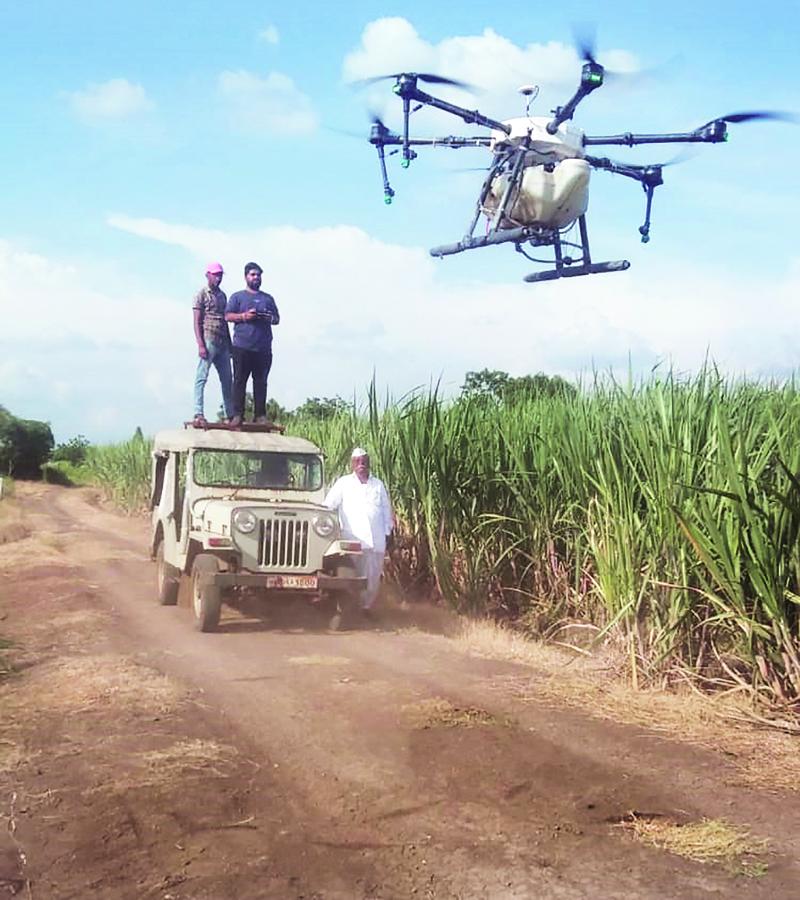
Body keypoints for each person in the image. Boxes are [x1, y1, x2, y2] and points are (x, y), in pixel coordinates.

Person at [324, 447, 394, 614]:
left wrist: (388, 532)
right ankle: (349, 608)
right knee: (352, 576)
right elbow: (328, 506)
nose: (361, 464)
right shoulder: (344, 483)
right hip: (353, 541)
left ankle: (366, 608)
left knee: (373, 578)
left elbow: (386, 510)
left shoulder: (378, 485)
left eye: (364, 461)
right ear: (352, 464)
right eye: (357, 461)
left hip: (376, 540)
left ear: (369, 463)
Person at [224, 262, 280, 426]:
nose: (256, 277)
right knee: (239, 380)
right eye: (253, 274)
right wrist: (244, 317)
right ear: (246, 277)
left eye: (258, 275)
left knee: (261, 381)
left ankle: (260, 415)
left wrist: (267, 317)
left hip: (263, 347)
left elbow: (277, 319)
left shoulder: (267, 298)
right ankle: (237, 415)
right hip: (242, 346)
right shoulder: (237, 297)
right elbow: (227, 316)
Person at [192, 262, 233, 426]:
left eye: (220, 275)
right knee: (202, 376)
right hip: (208, 338)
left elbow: (225, 321)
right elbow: (196, 321)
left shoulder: (222, 296)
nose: (218, 278)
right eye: (215, 275)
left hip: (222, 340)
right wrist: (200, 344)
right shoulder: (201, 294)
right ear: (208, 275)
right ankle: (198, 412)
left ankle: (229, 413)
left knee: (227, 379)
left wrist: (230, 346)